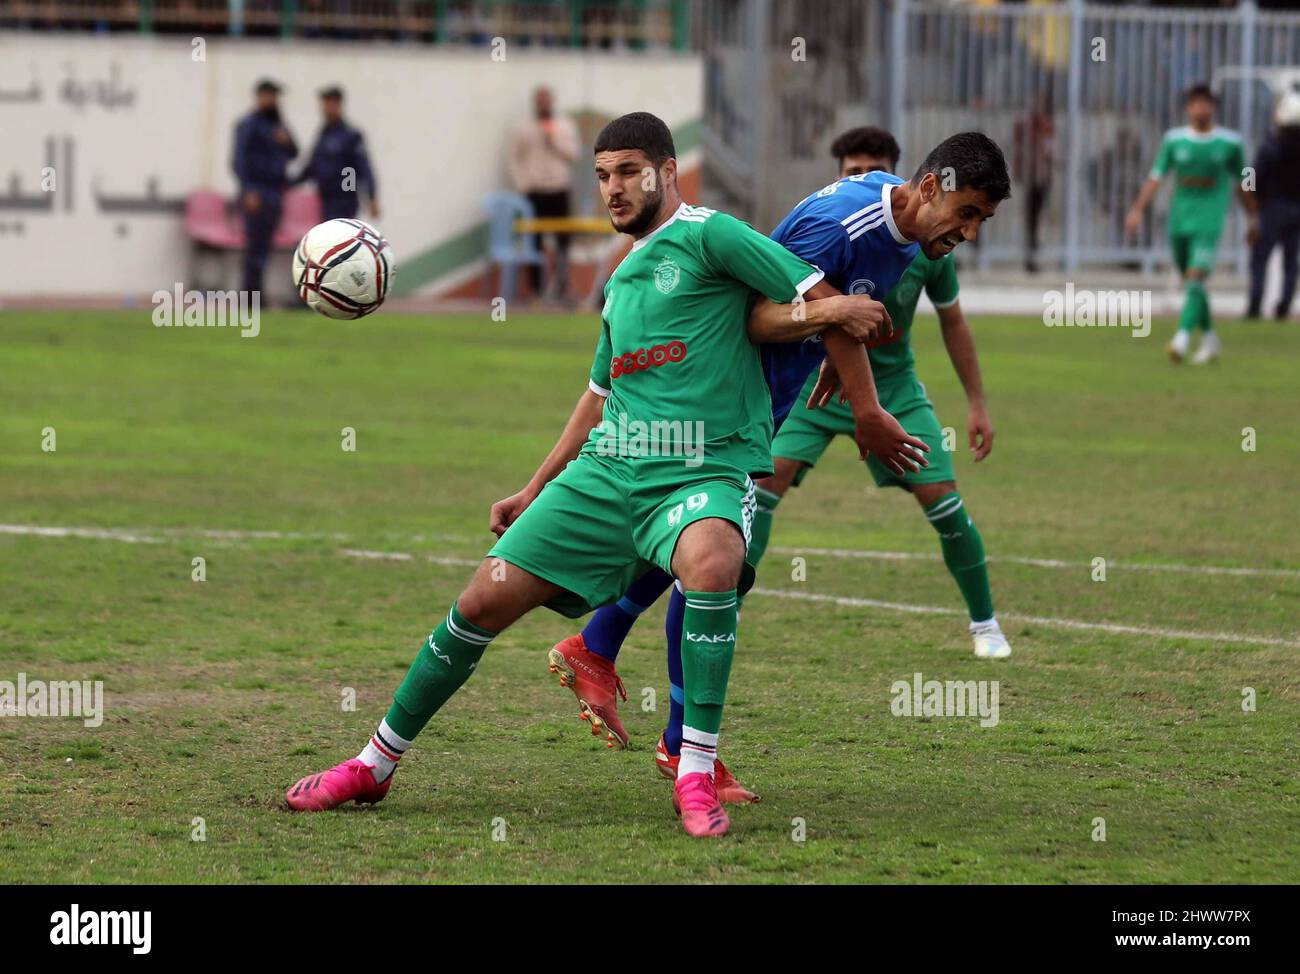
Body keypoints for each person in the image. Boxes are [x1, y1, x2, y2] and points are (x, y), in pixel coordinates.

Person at [284, 112, 913, 838]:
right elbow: (598, 397)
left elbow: (812, 295)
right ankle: (374, 765)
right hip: (608, 471)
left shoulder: (714, 233)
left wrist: (847, 344)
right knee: (480, 602)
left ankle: (695, 774)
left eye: (626, 172)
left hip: (703, 467)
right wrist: (533, 487)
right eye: (602, 176)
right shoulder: (618, 281)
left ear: (668, 171)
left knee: (711, 561)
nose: (611, 189)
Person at [547, 132, 1011, 796]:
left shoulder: (900, 229)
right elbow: (758, 316)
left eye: (981, 223)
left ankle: (605, 652)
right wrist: (866, 405)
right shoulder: (840, 223)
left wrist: (830, 352)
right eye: (967, 213)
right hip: (726, 404)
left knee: (704, 561)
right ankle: (670, 735)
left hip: (759, 401)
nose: (969, 231)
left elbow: (827, 314)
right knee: (713, 568)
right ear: (932, 185)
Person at [1125, 83, 1257, 364]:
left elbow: (1243, 181)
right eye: (1196, 103)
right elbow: (1156, 177)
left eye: (1206, 103)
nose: (1201, 108)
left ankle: (1181, 340)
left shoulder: (1230, 143)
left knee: (1196, 277)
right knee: (1193, 284)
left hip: (1210, 219)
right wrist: (1137, 209)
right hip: (1180, 218)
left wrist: (1253, 218)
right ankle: (1210, 340)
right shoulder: (1174, 140)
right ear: (1188, 107)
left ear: (1213, 107)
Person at [507, 86, 581, 302]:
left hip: (559, 189)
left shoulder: (564, 126)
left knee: (563, 242)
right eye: (540, 101)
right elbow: (513, 158)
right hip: (535, 192)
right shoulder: (523, 128)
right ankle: (537, 291)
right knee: (534, 242)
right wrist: (523, 184)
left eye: (547, 100)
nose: (544, 104)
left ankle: (562, 286)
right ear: (535, 103)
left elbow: (574, 154)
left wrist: (553, 139)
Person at [232, 79, 298, 295]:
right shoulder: (248, 124)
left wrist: (285, 141)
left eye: (275, 96)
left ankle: (258, 295)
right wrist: (248, 190)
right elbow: (239, 161)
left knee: (265, 248)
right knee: (254, 248)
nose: (273, 100)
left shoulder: (279, 125)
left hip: (275, 193)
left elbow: (294, 152)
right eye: (269, 95)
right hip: (257, 192)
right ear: (260, 96)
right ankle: (250, 296)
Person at [1246, 92, 1300, 321]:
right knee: (1291, 260)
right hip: (1297, 209)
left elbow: (1252, 175)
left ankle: (1255, 304)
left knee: (1260, 258)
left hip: (1272, 208)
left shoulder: (1270, 145)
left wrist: (1247, 191)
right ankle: (1284, 306)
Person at [292, 86, 379, 221]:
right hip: (325, 199)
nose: (327, 108)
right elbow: (312, 166)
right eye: (325, 104)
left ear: (339, 105)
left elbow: (364, 168)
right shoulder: (323, 134)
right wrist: (289, 183)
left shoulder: (350, 135)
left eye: (330, 103)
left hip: (344, 200)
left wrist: (371, 197)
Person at [1013, 91, 1054, 273]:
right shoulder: (1025, 127)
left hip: (1043, 178)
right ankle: (1030, 258)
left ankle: (1035, 255)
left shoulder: (1048, 127)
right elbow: (1019, 149)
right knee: (1030, 219)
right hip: (1031, 177)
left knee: (1038, 219)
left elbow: (1049, 153)